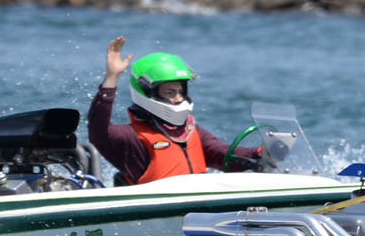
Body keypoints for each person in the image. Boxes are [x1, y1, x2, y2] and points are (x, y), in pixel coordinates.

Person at [88, 36, 257, 185]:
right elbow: (98, 131)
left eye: (181, 92)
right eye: (170, 92)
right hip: (155, 213)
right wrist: (111, 78)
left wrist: (258, 154)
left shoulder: (191, 131)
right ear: (147, 92)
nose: (179, 99)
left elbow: (222, 154)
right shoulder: (131, 137)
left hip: (198, 208)